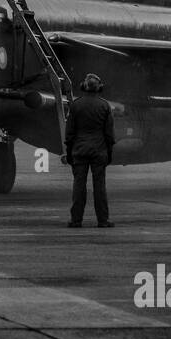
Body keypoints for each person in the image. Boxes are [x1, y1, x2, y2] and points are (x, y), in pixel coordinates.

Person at [64, 73, 116, 228]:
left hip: (79, 151)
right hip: (99, 152)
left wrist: (68, 151)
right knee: (99, 187)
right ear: (99, 88)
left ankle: (76, 220)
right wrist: (109, 152)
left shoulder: (75, 105)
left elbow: (70, 132)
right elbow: (109, 134)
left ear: (83, 87)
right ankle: (103, 220)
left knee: (78, 186)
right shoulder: (105, 106)